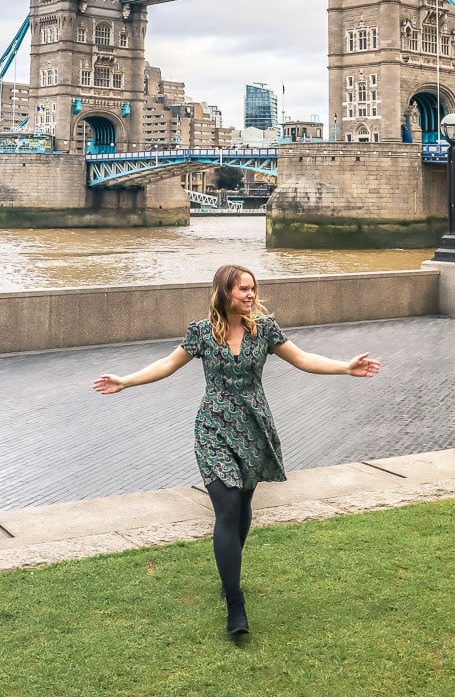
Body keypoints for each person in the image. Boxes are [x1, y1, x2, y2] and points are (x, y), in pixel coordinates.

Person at [93, 263, 380, 640]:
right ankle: (235, 600)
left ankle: (229, 572)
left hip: (253, 428)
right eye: (242, 289)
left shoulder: (265, 330)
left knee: (244, 505)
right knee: (226, 505)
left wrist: (345, 367)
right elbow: (168, 364)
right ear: (224, 291)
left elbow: (304, 358)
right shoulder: (201, 332)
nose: (250, 295)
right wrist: (125, 381)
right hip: (213, 429)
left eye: (253, 289)